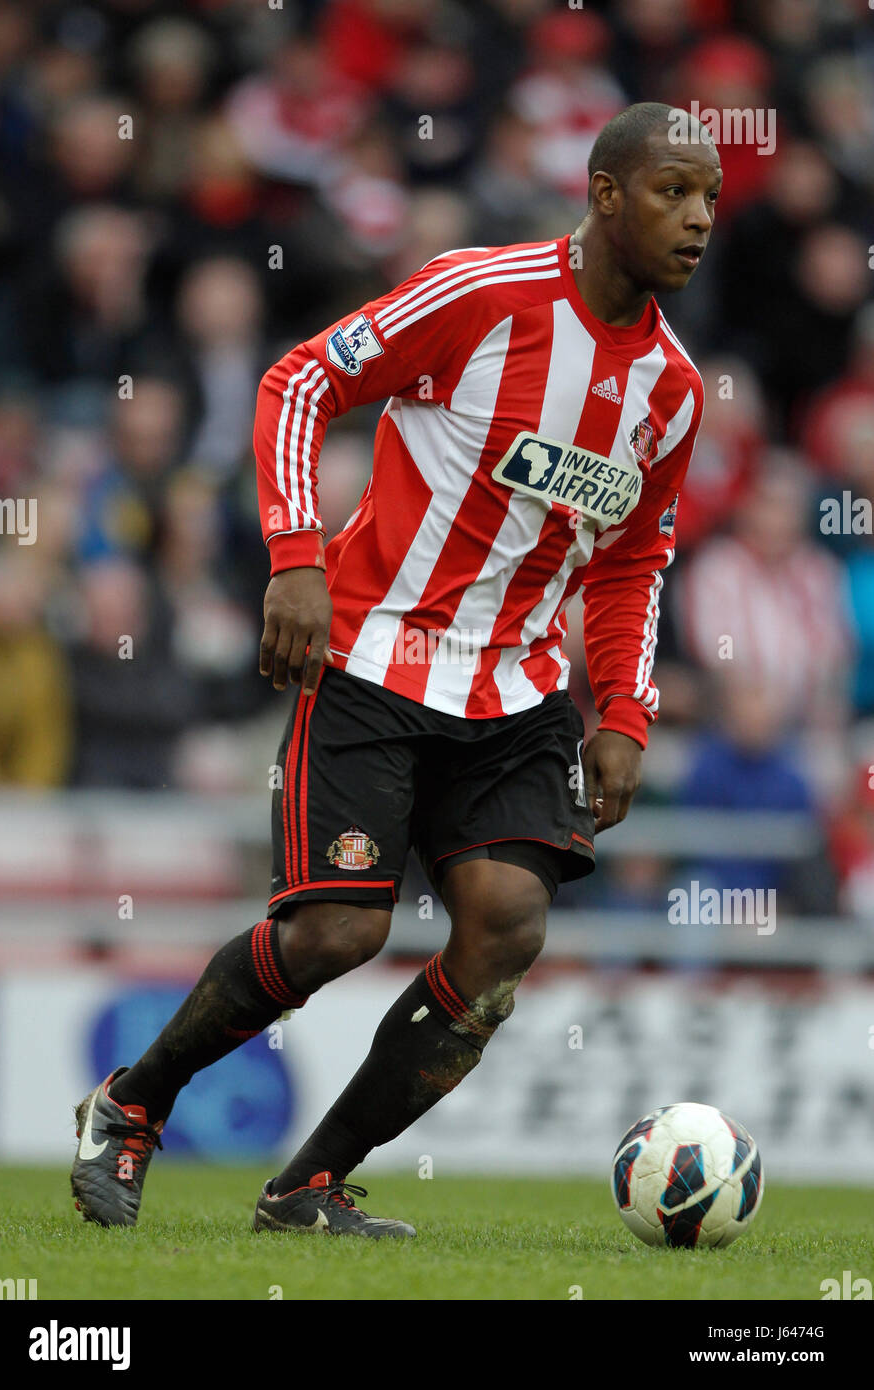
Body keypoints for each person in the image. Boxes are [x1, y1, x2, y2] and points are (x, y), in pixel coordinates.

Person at [70, 102, 719, 1236]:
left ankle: (307, 1187)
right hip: (376, 657)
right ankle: (131, 1105)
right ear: (605, 192)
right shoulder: (479, 292)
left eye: (710, 197)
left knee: (506, 927)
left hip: (516, 694)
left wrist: (622, 713)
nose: (699, 217)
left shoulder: (671, 390)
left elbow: (632, 565)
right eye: (673, 191)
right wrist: (294, 560)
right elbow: (300, 382)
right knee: (338, 931)